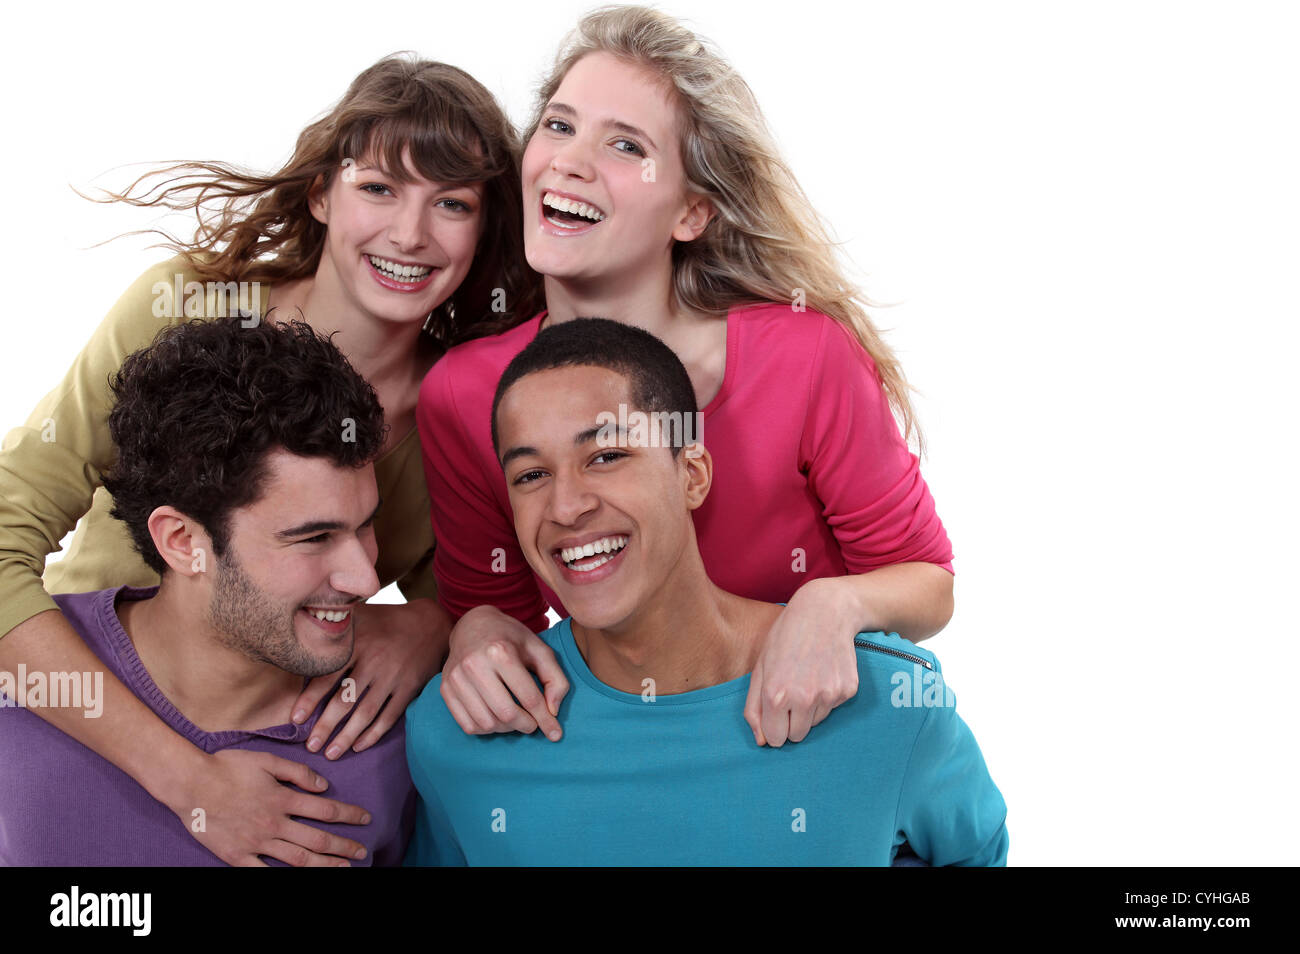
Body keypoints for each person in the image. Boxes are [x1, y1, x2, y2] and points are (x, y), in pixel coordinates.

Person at [0, 54, 541, 865]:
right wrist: (188, 781)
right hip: (81, 717)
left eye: (452, 204)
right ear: (322, 193)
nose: (410, 234)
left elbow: (490, 602)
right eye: (379, 188)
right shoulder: (181, 306)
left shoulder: (466, 409)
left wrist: (431, 622)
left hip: (287, 729)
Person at [420, 5, 954, 750]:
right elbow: (500, 612)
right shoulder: (462, 392)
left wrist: (834, 604)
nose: (569, 161)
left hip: (817, 737)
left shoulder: (803, 359)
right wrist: (475, 630)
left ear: (693, 211)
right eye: (559, 125)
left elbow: (928, 582)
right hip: (633, 743)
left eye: (625, 145)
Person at [406, 319, 1006, 866]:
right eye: (531, 475)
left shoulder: (891, 703)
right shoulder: (455, 729)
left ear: (691, 475)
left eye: (608, 456)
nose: (566, 507)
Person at [0, 317, 415, 865]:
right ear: (181, 541)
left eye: (364, 526)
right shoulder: (20, 695)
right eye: (314, 538)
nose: (365, 580)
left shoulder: (400, 739)